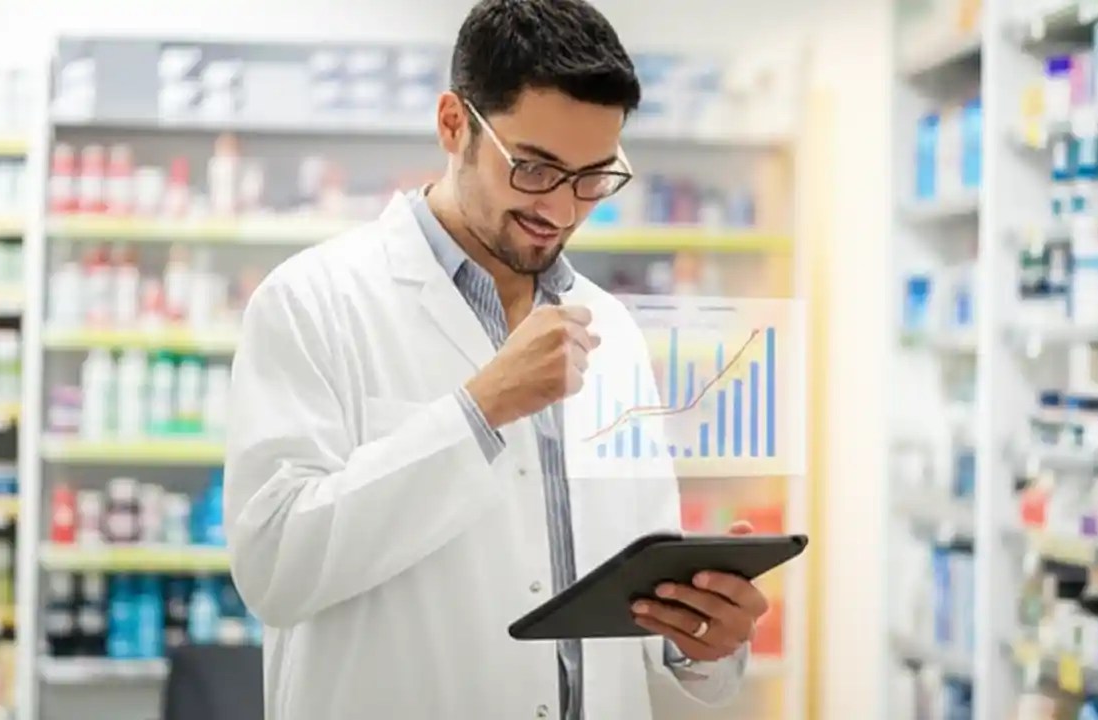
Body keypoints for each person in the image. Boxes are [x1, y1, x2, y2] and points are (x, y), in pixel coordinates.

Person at [224, 1, 770, 718]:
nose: (565, 210)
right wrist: (480, 410)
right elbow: (274, 567)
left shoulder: (613, 329)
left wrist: (700, 640)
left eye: (594, 178)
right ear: (455, 124)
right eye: (537, 169)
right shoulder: (312, 301)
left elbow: (638, 593)